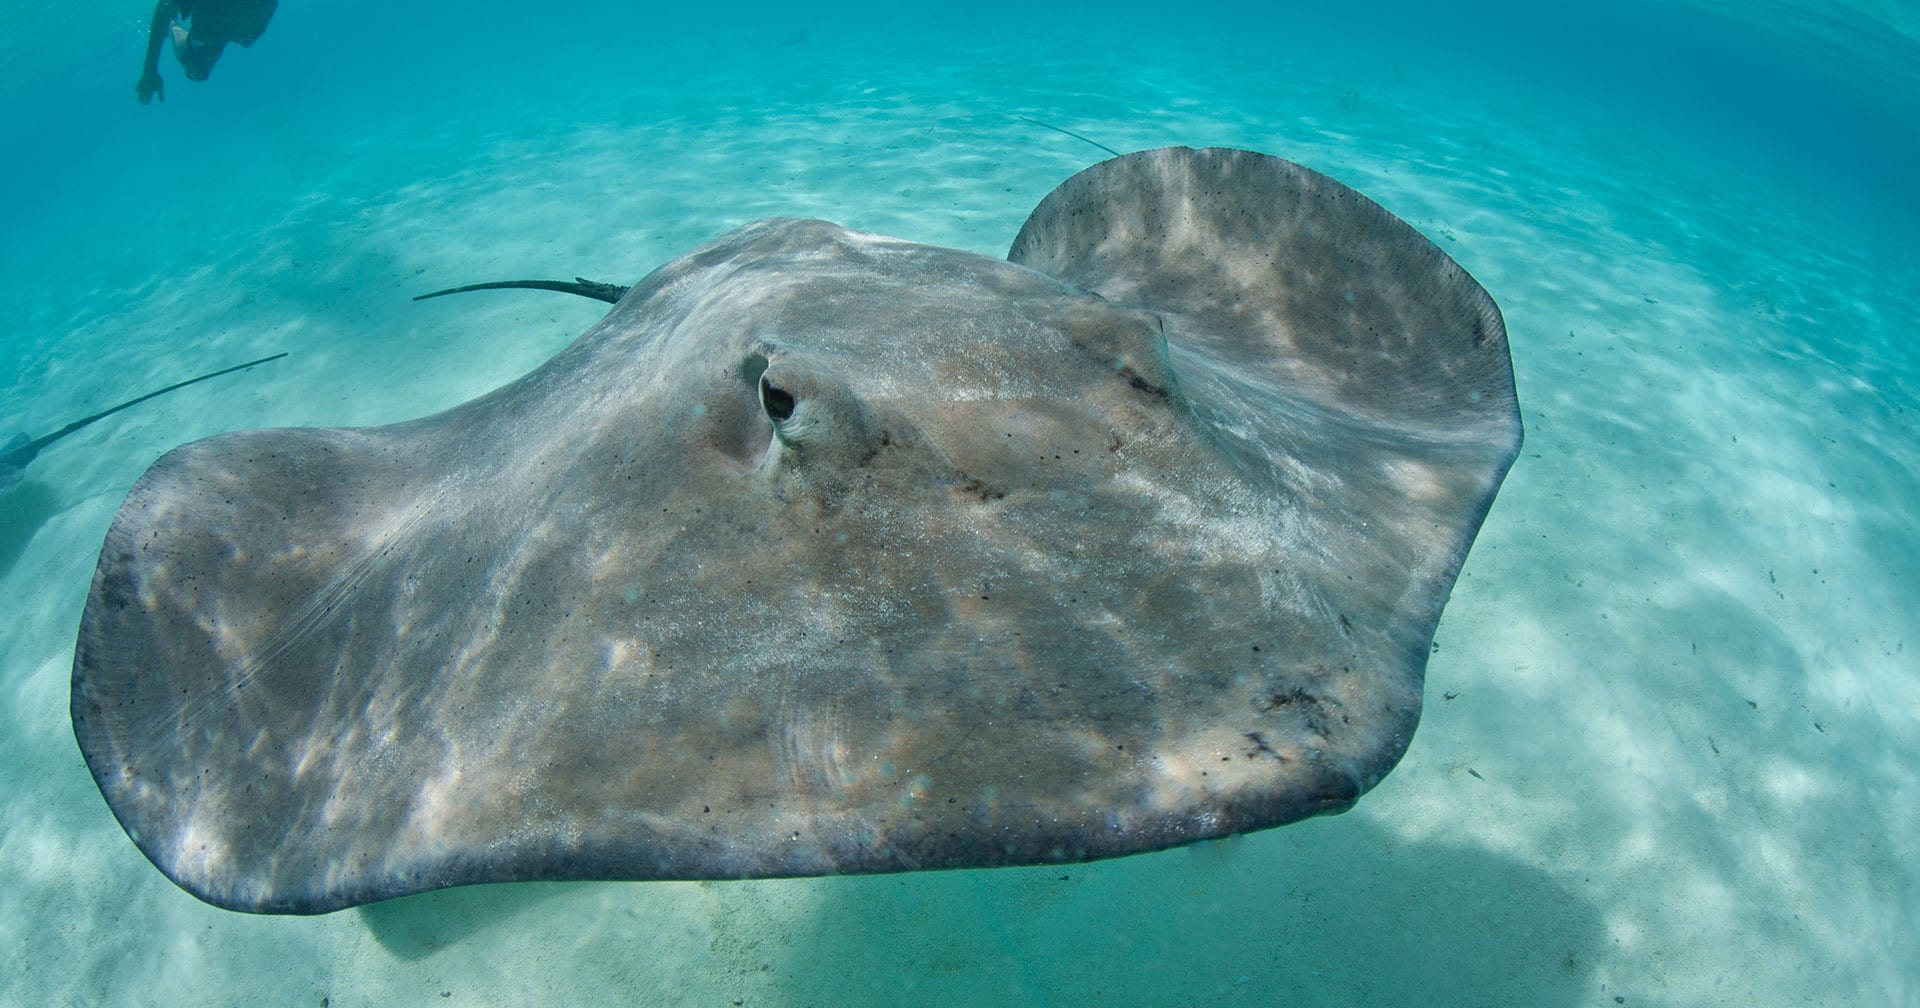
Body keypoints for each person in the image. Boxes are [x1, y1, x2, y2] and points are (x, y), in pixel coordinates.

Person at [136, 0, 279, 105]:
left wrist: (150, 69)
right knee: (196, 71)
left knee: (197, 71)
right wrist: (150, 69)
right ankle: (172, 25)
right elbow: (164, 8)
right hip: (212, 29)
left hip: (246, 26)